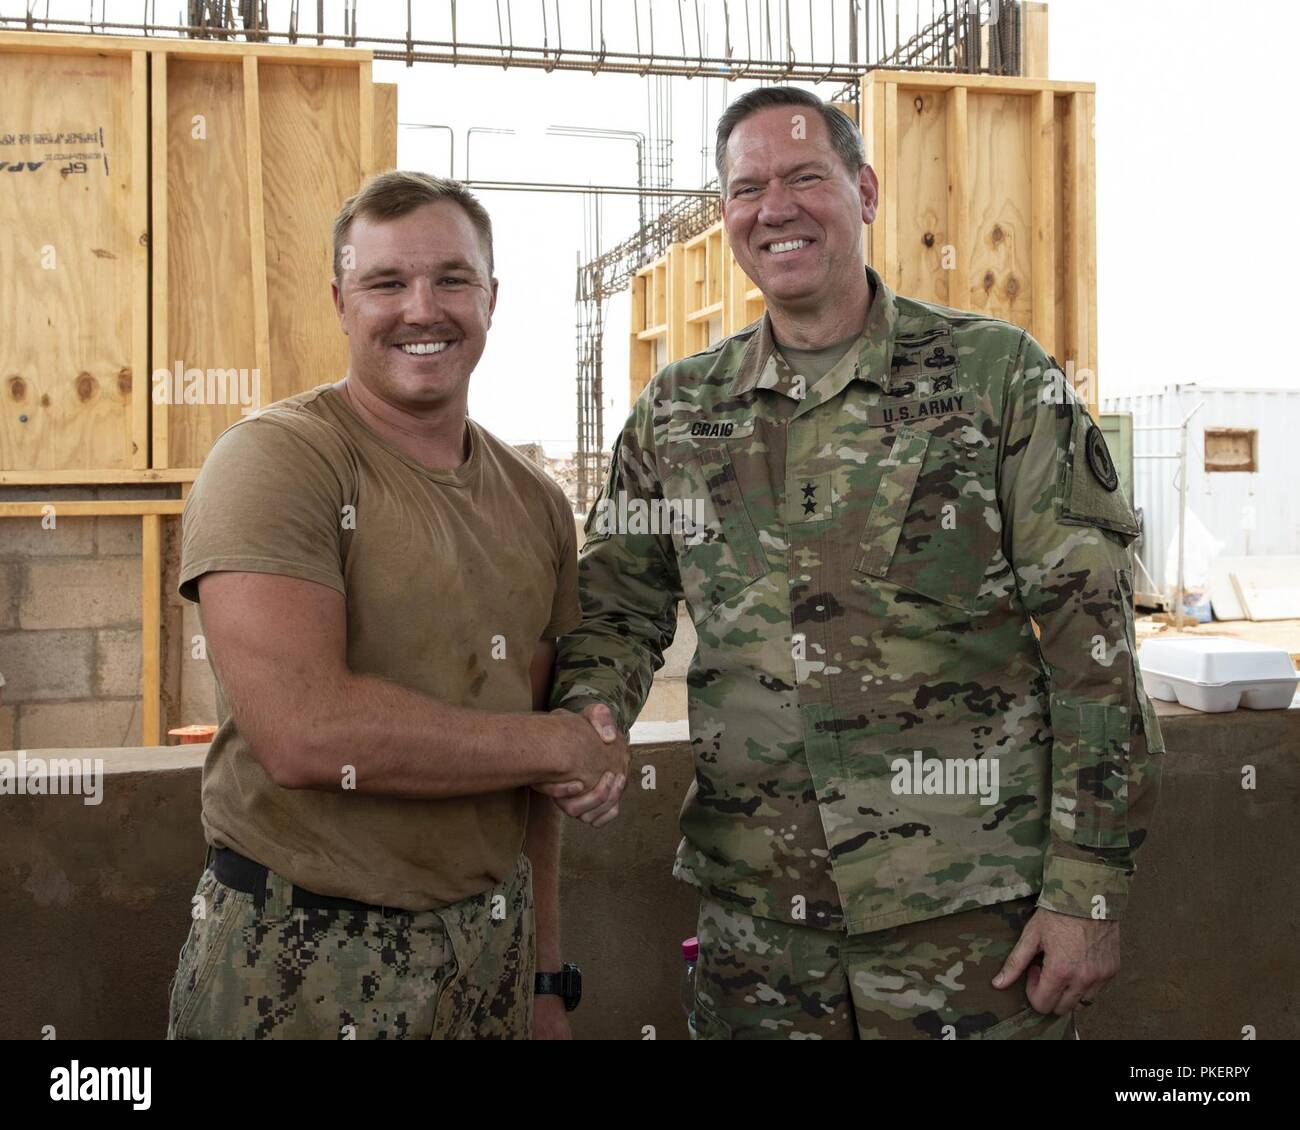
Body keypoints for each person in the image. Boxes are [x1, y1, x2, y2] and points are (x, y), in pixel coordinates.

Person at [551, 87, 1163, 1040]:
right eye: (748, 188)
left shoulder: (994, 376)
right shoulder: (678, 412)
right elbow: (618, 607)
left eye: (806, 177)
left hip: (967, 926)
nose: (776, 207)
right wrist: (591, 714)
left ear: (865, 191)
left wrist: (1088, 887)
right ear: (727, 217)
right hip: (756, 933)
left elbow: (1091, 634)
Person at [166, 171, 627, 1041]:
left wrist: (544, 982)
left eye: (453, 279)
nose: (423, 308)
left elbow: (531, 788)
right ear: (341, 302)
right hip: (300, 961)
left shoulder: (534, 500)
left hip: (491, 951)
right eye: (387, 283)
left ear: (492, 299)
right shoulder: (279, 462)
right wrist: (560, 742)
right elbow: (304, 733)